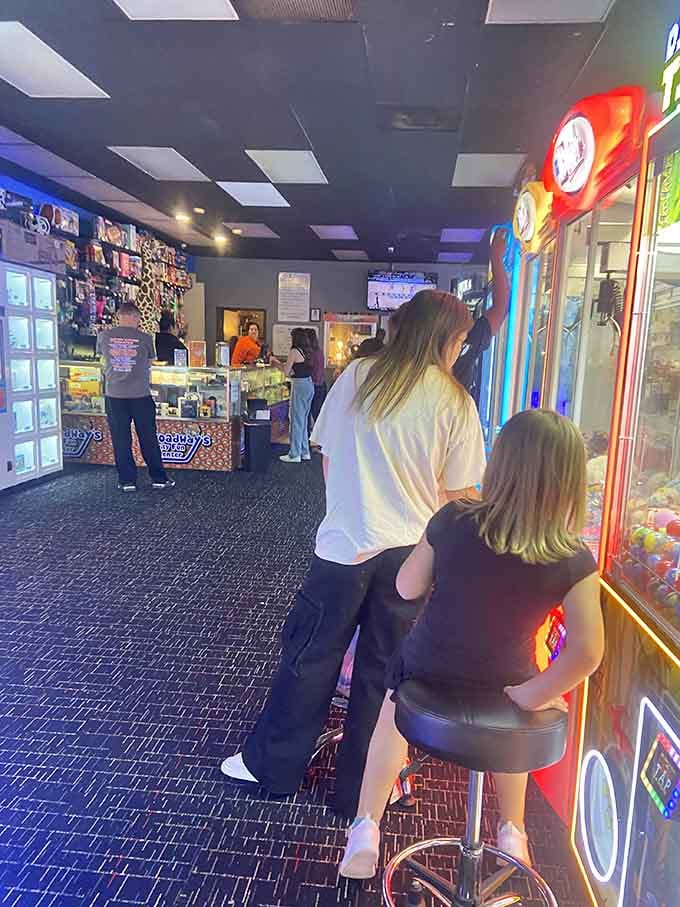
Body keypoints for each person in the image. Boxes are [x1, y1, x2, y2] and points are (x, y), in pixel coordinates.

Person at [220, 290, 486, 817]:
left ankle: (273, 766)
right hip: (411, 554)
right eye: (459, 340)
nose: (459, 349)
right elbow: (461, 495)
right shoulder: (454, 400)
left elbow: (326, 454)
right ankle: (366, 788)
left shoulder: (359, 377)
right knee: (385, 672)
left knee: (308, 656)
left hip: (343, 545)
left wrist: (350, 506)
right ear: (444, 338)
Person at [338, 409, 604, 879]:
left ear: (498, 463)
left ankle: (366, 826)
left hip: (426, 673)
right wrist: (536, 693)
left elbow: (404, 587)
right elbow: (587, 652)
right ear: (570, 480)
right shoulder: (572, 556)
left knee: (391, 711)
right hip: (506, 685)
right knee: (515, 724)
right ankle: (512, 832)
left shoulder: (454, 518)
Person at [96, 302, 175, 492]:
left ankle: (127, 481)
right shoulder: (146, 338)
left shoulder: (103, 336)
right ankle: (158, 478)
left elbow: (102, 360)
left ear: (119, 316)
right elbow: (150, 362)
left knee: (120, 439)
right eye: (138, 318)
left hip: (114, 395)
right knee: (148, 438)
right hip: (140, 394)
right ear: (134, 316)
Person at [453, 228, 511, 401]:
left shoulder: (410, 363)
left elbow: (500, 307)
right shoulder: (467, 340)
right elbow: (501, 306)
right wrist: (496, 259)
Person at [271, 328, 315, 464]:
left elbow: (286, 371)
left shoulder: (294, 351)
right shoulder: (307, 352)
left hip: (299, 386)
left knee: (297, 421)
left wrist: (275, 362)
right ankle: (304, 451)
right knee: (303, 420)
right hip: (309, 385)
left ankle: (294, 454)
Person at [306, 328, 326, 430]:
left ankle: (317, 437)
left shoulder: (311, 353)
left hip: (315, 385)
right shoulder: (319, 351)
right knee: (317, 412)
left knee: (313, 412)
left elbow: (313, 370)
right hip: (321, 384)